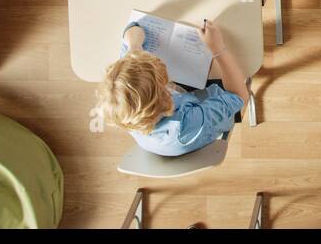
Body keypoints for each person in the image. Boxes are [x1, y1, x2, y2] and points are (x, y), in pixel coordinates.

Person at [95, 19, 248, 157]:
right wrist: (217, 49)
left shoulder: (127, 109)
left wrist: (134, 48)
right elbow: (240, 96)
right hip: (203, 120)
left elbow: (132, 27)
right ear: (165, 91)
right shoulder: (189, 122)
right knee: (238, 64)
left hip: (167, 128)